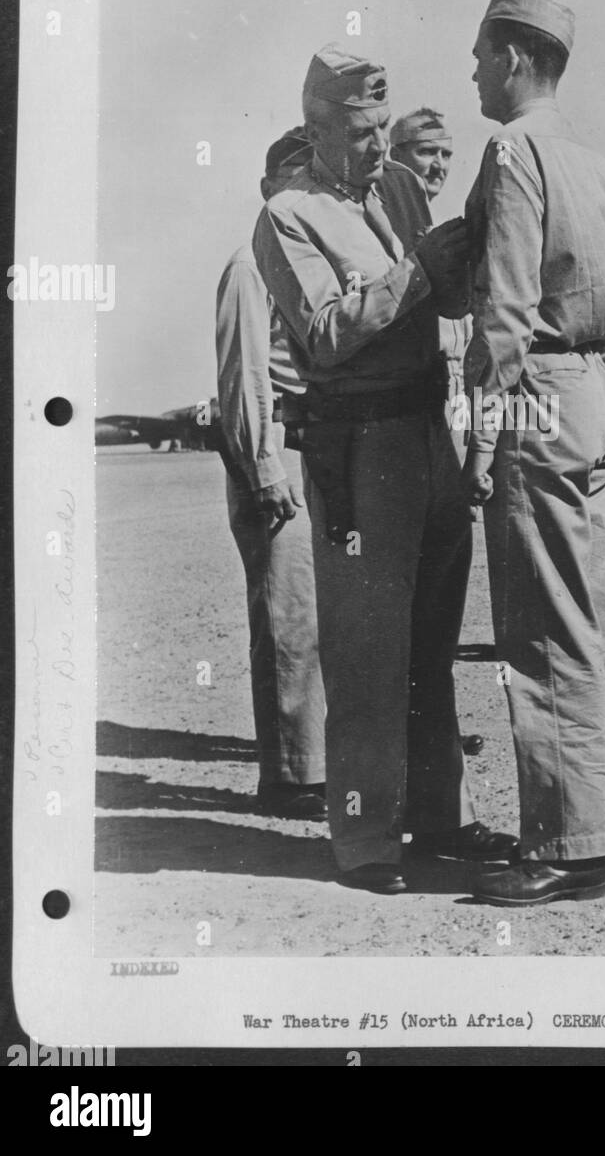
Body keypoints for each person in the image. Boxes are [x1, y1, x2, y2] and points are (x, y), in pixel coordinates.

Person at [253, 44, 514, 894]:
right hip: (361, 448)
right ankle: (365, 840)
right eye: (361, 135)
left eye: (380, 130)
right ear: (319, 130)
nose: (378, 149)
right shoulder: (287, 217)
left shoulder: (397, 187)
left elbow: (447, 292)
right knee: (368, 652)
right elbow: (325, 332)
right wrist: (416, 276)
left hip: (428, 431)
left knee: (430, 644)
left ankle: (438, 818)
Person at [460, 0, 605, 907]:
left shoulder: (513, 150)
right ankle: (591, 832)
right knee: (588, 620)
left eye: (483, 55)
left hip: (539, 397)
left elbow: (506, 313)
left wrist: (486, 434)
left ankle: (569, 847)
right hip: (596, 394)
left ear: (518, 59)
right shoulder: (592, 160)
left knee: (538, 624)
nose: (474, 70)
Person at [215, 128, 326, 819]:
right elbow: (242, 378)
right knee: (288, 616)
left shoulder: (312, 266)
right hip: (276, 450)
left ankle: (320, 763)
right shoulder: (249, 265)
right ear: (266, 191)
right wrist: (263, 467)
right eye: (291, 182)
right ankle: (291, 777)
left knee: (324, 615)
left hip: (320, 447)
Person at [389, 108, 470, 463]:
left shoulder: (446, 233)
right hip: (403, 403)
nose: (439, 165)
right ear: (395, 157)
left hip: (457, 399)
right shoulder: (380, 232)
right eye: (426, 152)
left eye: (446, 154)